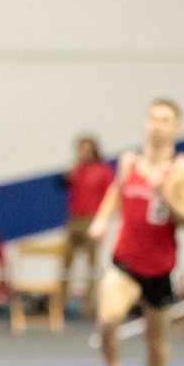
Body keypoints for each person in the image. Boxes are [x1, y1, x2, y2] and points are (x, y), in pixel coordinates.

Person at [87, 100, 184, 366]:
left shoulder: (182, 170)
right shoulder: (128, 162)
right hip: (125, 261)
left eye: (165, 120)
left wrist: (167, 195)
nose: (157, 126)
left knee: (156, 342)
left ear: (176, 128)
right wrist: (101, 220)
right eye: (152, 118)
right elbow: (116, 193)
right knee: (108, 318)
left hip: (160, 268)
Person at [59, 133, 113, 314]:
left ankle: (89, 304)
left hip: (93, 219)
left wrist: (103, 221)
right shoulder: (76, 169)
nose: (84, 153)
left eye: (87, 149)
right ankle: (60, 300)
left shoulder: (103, 171)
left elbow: (111, 197)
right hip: (74, 219)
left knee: (92, 263)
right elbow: (62, 183)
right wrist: (74, 168)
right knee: (66, 260)